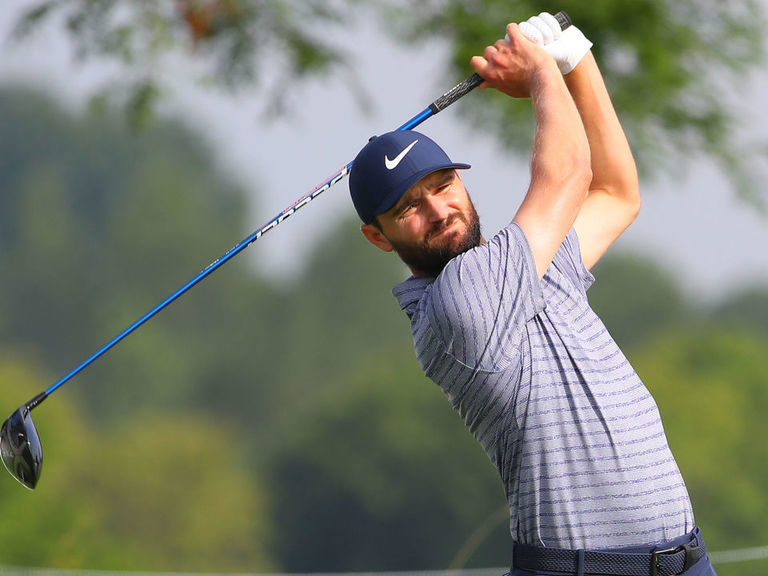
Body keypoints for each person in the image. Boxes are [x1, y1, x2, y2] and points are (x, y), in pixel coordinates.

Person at [348, 12, 717, 576]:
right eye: (408, 208)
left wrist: (575, 57)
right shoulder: (459, 305)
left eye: (442, 185)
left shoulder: (526, 268)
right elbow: (566, 175)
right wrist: (542, 72)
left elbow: (616, 194)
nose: (439, 211)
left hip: (685, 560)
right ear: (378, 237)